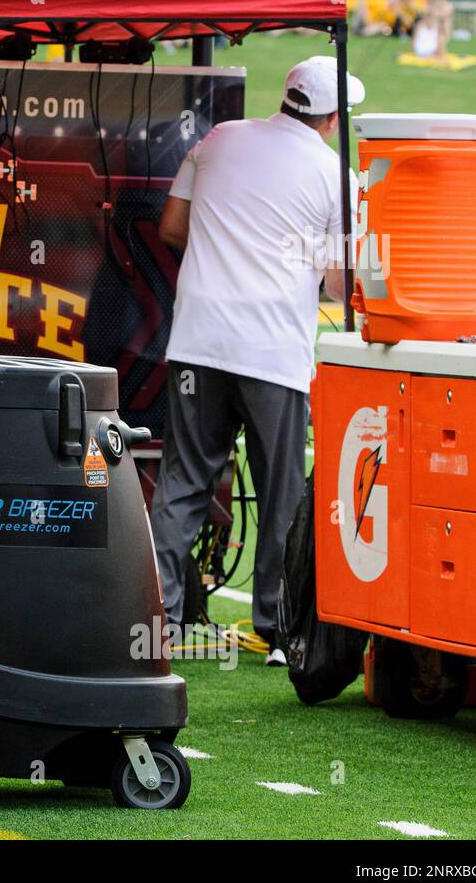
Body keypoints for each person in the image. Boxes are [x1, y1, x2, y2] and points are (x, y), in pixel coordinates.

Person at [152, 56, 364, 665]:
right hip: (272, 351)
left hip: (198, 339)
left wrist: (225, 256)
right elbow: (335, 283)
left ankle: (158, 619)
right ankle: (275, 628)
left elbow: (172, 228)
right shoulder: (333, 173)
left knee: (182, 484)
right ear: (331, 118)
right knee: (282, 492)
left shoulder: (221, 137)